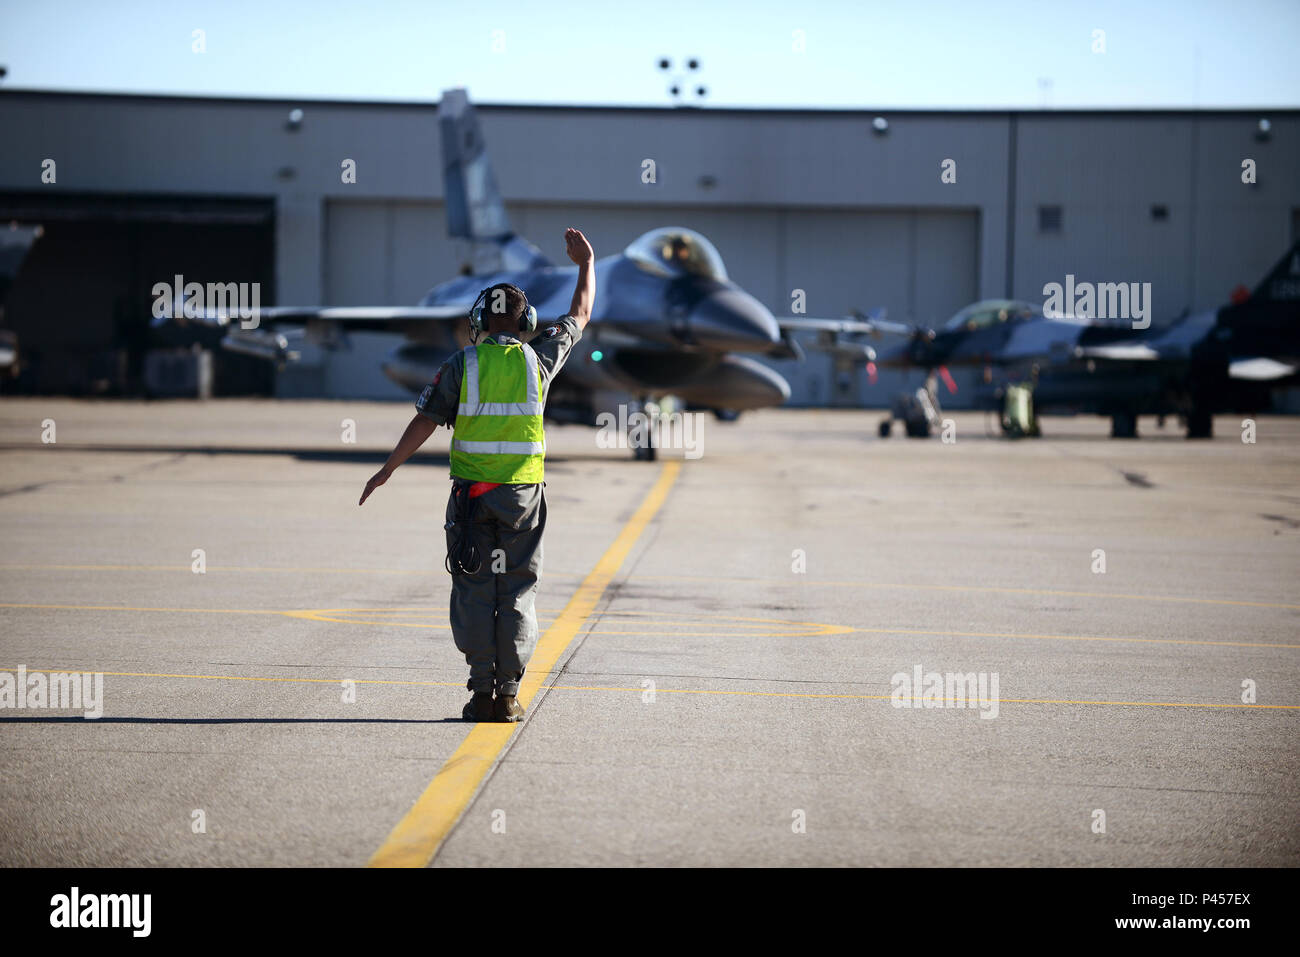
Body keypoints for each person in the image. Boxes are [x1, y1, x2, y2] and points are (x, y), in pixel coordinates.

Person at [359, 227, 595, 722]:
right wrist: (584, 265)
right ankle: (507, 696)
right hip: (523, 502)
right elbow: (579, 315)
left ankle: (480, 692)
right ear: (526, 321)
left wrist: (388, 469)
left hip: (470, 501)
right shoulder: (540, 361)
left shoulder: (461, 365)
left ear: (478, 321)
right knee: (516, 591)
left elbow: (424, 419)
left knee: (472, 590)